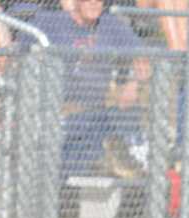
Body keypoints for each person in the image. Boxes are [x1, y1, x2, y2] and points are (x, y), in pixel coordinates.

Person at [33, 0, 152, 174]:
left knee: (124, 117)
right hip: (59, 114)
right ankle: (96, 164)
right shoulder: (50, 22)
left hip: (96, 114)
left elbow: (143, 57)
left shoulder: (109, 23)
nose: (94, 3)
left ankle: (133, 168)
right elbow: (19, 56)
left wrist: (133, 83)